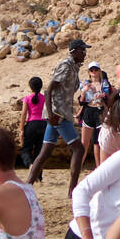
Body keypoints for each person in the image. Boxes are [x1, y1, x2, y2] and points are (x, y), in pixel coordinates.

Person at [26, 38, 89, 193]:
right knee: (78, 149)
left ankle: (26, 187)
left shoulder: (74, 67)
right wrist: (51, 113)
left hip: (59, 113)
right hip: (58, 113)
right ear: (74, 51)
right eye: (83, 50)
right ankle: (72, 191)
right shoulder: (66, 66)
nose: (85, 54)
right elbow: (49, 90)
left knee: (45, 152)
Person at [78, 62, 110, 166]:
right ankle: (78, 167)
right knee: (84, 143)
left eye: (96, 70)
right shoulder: (85, 84)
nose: (94, 72)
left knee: (98, 142)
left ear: (99, 71)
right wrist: (84, 91)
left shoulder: (104, 83)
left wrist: (103, 95)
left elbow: (108, 97)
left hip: (99, 112)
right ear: (89, 72)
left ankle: (98, 167)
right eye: (92, 70)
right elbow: (81, 102)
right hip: (88, 112)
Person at [19, 76, 46, 180]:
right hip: (43, 124)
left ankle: (30, 165)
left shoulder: (27, 98)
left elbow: (24, 114)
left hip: (31, 124)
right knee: (39, 152)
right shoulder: (44, 98)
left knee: (25, 150)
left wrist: (21, 130)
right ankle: (39, 176)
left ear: (30, 87)